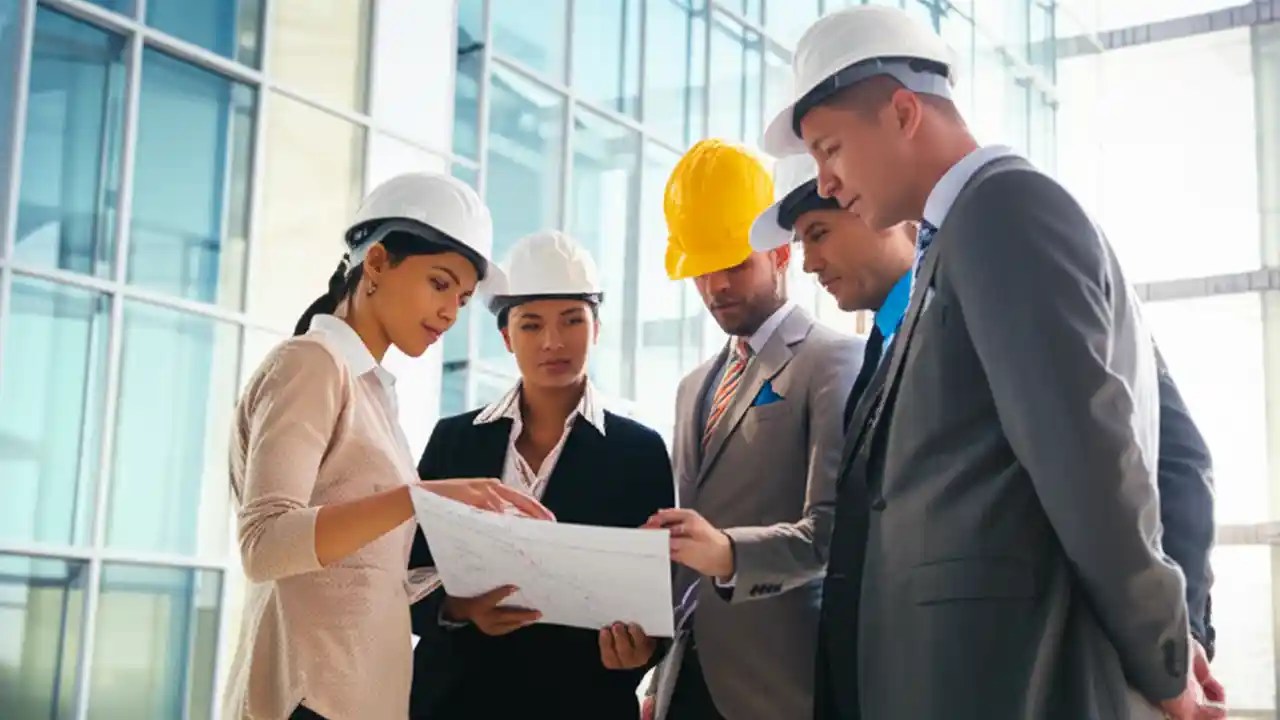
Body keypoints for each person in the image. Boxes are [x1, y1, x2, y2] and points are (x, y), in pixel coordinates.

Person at [763, 6, 1226, 719]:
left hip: (1010, 683)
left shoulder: (1006, 209)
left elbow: (1090, 463)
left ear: (903, 113)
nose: (823, 180)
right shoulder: (959, 239)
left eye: (830, 148)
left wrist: (1166, 656)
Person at [222, 172, 553, 720]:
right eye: (440, 283)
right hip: (309, 700)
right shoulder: (310, 365)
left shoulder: (372, 391)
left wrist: (456, 606)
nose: (451, 311)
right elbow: (265, 544)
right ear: (375, 263)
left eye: (464, 299)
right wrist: (420, 497)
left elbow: (359, 572)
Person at [407, 230, 676, 719]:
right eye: (531, 325)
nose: (553, 342)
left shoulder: (640, 451)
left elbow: (660, 595)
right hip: (452, 702)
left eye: (572, 320)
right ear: (507, 337)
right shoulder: (455, 441)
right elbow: (405, 574)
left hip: (580, 701)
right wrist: (460, 609)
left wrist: (644, 652)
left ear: (597, 328)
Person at [642, 138, 862, 720]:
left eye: (734, 264)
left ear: (782, 255)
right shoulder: (693, 389)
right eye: (701, 270)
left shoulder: (834, 361)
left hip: (779, 687)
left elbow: (833, 534)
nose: (716, 287)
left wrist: (729, 553)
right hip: (685, 683)